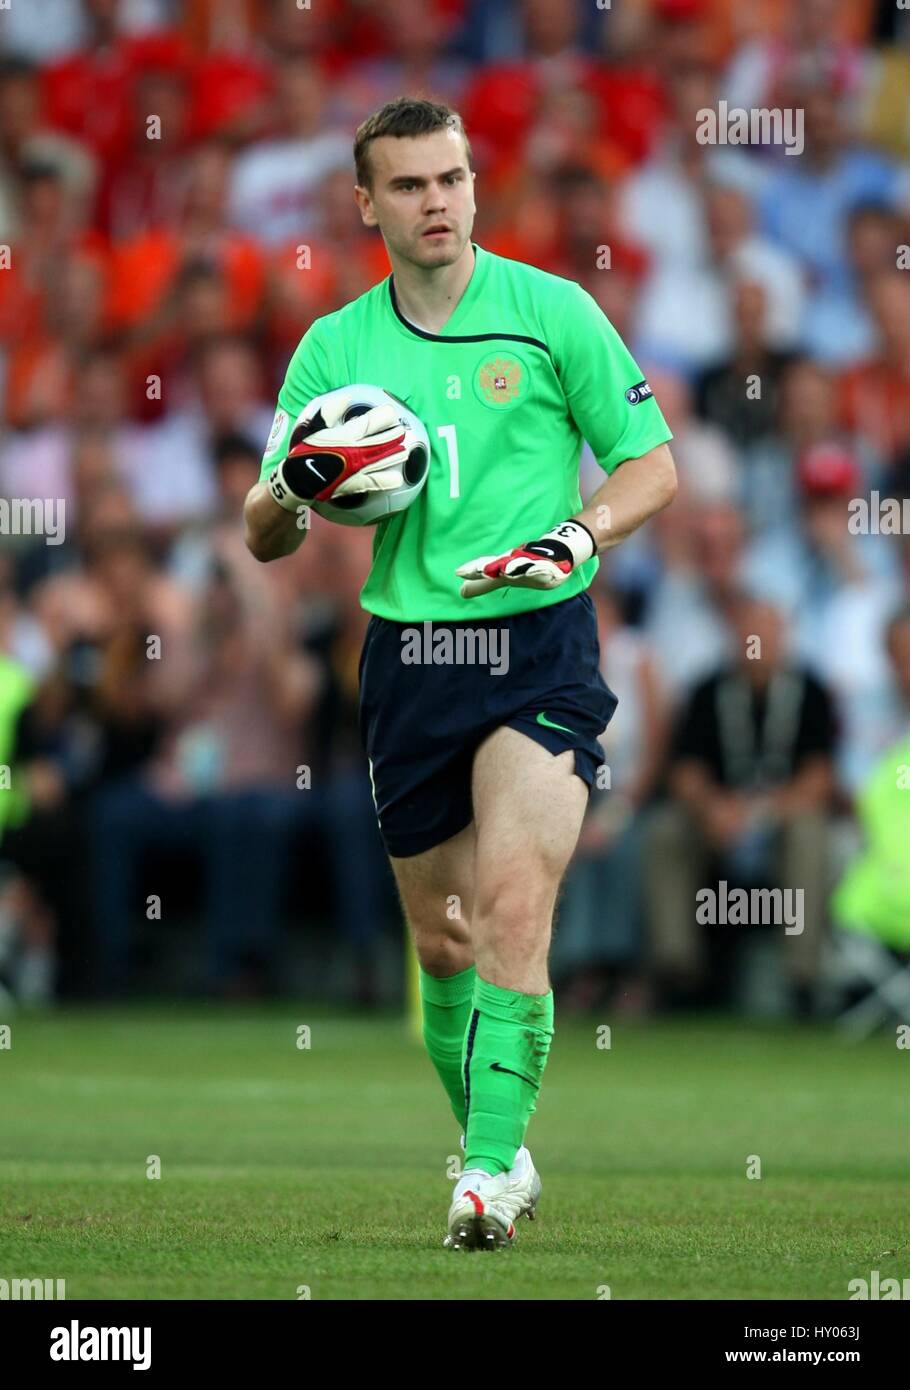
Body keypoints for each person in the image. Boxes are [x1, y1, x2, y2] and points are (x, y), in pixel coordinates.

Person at [243, 97, 677, 1251]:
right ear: (366, 203)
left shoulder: (552, 312)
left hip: (538, 644)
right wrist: (297, 481)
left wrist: (577, 538)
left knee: (511, 910)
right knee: (441, 943)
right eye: (410, 185)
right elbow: (262, 532)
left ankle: (481, 1176)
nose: (437, 202)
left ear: (474, 186)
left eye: (453, 179)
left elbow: (651, 466)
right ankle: (505, 1140)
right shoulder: (334, 347)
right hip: (409, 656)